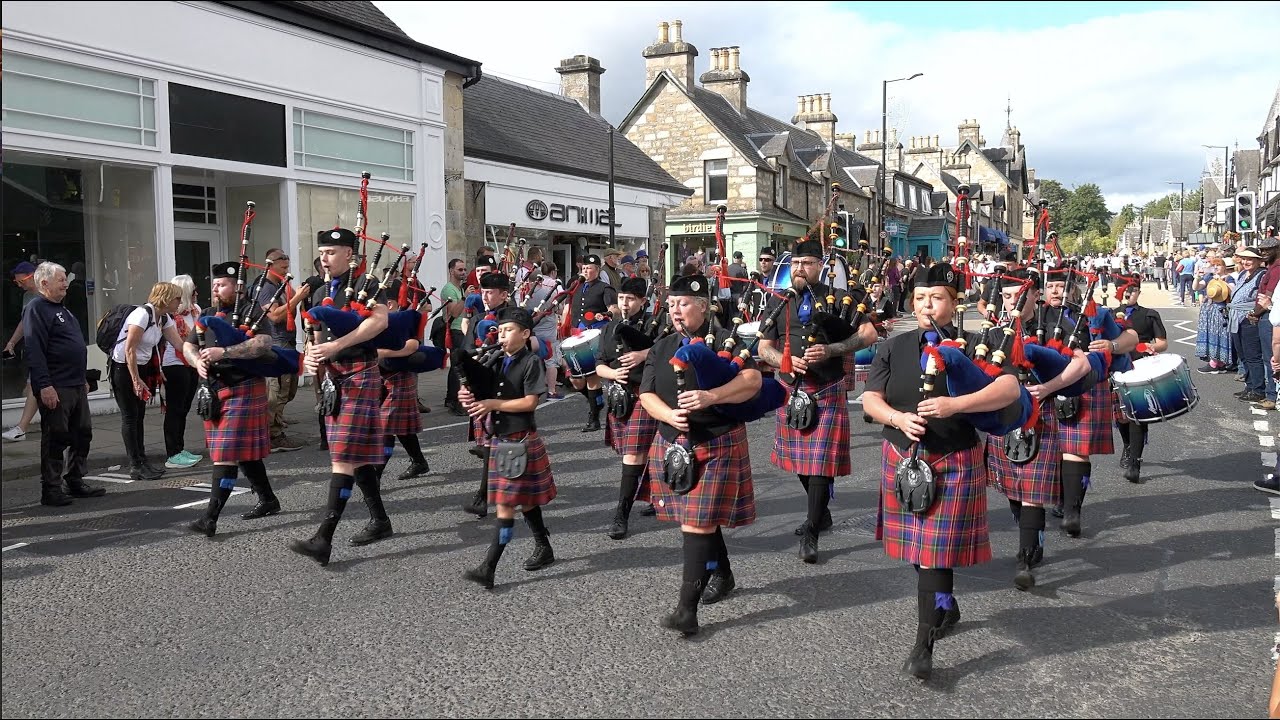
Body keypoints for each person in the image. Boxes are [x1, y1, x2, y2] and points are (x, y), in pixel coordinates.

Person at [862, 262, 1022, 679]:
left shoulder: (979, 344)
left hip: (953, 457)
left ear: (954, 303)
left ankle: (923, 644)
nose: (926, 305)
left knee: (931, 553)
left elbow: (1009, 389)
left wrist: (956, 405)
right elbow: (871, 400)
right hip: (902, 456)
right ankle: (944, 604)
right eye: (919, 298)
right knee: (922, 552)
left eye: (935, 298)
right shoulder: (894, 347)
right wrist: (897, 420)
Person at [638, 274, 762, 635]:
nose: (677, 310)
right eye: (672, 304)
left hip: (715, 439)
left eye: (685, 304)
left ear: (704, 307)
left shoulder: (727, 340)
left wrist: (712, 397)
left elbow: (752, 383)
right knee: (699, 518)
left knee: (697, 522)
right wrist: (668, 415)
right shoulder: (661, 347)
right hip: (673, 442)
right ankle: (722, 573)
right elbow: (646, 394)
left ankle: (685, 610)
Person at [758, 239, 878, 564]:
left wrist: (832, 350)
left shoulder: (839, 298)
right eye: (796, 264)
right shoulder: (780, 301)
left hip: (827, 387)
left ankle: (811, 530)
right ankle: (821, 513)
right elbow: (763, 347)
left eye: (808, 263)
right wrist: (781, 361)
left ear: (821, 266)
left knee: (819, 464)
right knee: (802, 465)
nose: (800, 269)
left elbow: (869, 335)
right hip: (793, 389)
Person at [290, 227, 393, 566]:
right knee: (357, 457)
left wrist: (337, 345)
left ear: (350, 253)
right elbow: (315, 333)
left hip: (361, 373)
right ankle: (380, 521)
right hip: (334, 378)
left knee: (343, 458)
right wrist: (310, 355)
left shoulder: (369, 284)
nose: (324, 258)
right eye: (321, 252)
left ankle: (323, 538)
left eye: (331, 252)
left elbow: (378, 323)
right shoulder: (320, 291)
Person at [183, 261, 284, 536]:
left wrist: (224, 353)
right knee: (243, 454)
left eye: (222, 284)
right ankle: (268, 499)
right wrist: (196, 362)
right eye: (214, 284)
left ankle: (210, 518)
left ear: (237, 287)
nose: (216, 289)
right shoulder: (206, 313)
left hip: (244, 387)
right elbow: (188, 344)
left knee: (225, 454)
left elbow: (263, 344)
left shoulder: (253, 312)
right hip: (215, 391)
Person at [461, 306, 558, 589]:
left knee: (505, 507)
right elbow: (481, 390)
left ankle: (488, 567)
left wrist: (494, 405)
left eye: (508, 331)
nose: (501, 336)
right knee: (525, 503)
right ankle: (544, 547)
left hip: (520, 440)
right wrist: (467, 393)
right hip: (500, 439)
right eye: (500, 331)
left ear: (525, 334)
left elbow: (530, 402)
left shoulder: (531, 362)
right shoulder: (495, 358)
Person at [1042, 266, 1138, 537]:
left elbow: (1131, 338)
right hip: (1044, 387)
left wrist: (1112, 346)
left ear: (1074, 289)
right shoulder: (1038, 313)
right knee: (1049, 449)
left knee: (1075, 449)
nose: (1055, 291)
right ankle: (1057, 498)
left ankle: (1072, 510)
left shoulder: (1095, 314)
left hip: (1084, 386)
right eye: (1050, 286)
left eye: (1061, 286)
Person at [22, 262, 104, 506]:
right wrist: (44, 386)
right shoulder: (37, 308)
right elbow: (34, 350)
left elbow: (73, 346)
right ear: (44, 283)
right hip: (56, 385)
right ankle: (52, 488)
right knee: (56, 437)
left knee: (82, 434)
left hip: (76, 384)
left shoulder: (63, 309)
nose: (65, 283)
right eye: (60, 279)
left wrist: (84, 380)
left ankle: (75, 479)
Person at [594, 277, 657, 540]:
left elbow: (670, 348)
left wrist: (644, 354)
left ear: (643, 301)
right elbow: (598, 365)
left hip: (645, 394)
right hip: (620, 396)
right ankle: (656, 496)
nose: (625, 303)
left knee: (633, 454)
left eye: (630, 299)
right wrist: (613, 372)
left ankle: (622, 514)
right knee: (643, 451)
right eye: (621, 298)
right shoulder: (610, 329)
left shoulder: (656, 323)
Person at [110, 282, 185, 481]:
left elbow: (178, 343)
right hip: (124, 367)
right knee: (130, 416)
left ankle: (142, 461)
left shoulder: (164, 318)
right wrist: (136, 380)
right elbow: (129, 350)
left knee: (139, 415)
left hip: (141, 366)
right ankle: (135, 465)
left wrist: (200, 354)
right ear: (166, 298)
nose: (180, 302)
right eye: (177, 298)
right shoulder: (142, 315)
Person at [461, 270, 515, 518]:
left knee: (498, 443)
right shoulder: (478, 318)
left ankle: (484, 496)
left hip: (505, 384)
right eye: (482, 291)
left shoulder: (515, 318)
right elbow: (467, 351)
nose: (485, 296)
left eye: (490, 292)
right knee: (489, 444)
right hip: (481, 383)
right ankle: (487, 496)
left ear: (504, 294)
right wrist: (465, 384)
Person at [374, 285, 431, 493]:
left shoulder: (405, 321)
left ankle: (375, 477)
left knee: (386, 428)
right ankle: (419, 462)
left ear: (389, 304)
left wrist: (381, 353)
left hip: (399, 377)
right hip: (380, 378)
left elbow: (412, 346)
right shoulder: (377, 324)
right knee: (400, 428)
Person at [1112, 274, 1168, 484]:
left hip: (1140, 368)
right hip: (1116, 370)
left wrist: (1151, 347)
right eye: (1123, 289)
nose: (1128, 293)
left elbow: (1163, 342)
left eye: (1133, 290)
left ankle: (1135, 461)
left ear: (1139, 292)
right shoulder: (1108, 314)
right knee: (1120, 416)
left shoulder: (1149, 315)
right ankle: (1128, 446)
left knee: (1138, 415)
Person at [562, 254, 619, 433]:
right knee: (575, 380)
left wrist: (606, 315)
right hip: (577, 335)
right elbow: (568, 308)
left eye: (590, 268)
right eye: (584, 268)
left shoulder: (605, 288)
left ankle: (593, 418)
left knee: (592, 377)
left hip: (594, 336)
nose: (586, 271)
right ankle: (597, 402)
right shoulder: (576, 286)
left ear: (597, 270)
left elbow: (614, 310)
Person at [256, 248, 305, 452]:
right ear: (270, 263)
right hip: (276, 343)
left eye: (287, 259)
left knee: (289, 388)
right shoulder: (266, 287)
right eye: (281, 260)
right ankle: (273, 435)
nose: (286, 263)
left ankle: (277, 419)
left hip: (287, 341)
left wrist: (293, 292)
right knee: (278, 390)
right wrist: (298, 297)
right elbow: (274, 316)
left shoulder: (281, 284)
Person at [161, 275, 204, 469]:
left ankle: (180, 448)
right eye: (193, 290)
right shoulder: (170, 316)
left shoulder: (196, 311)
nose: (197, 293)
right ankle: (173, 453)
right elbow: (177, 342)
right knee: (175, 409)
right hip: (174, 364)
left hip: (191, 362)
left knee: (184, 409)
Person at [3, 261, 42, 443]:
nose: (20, 285)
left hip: (45, 348)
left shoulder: (47, 294)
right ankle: (23, 427)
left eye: (22, 281)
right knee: (34, 386)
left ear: (33, 275)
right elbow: (24, 322)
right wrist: (12, 342)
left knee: (34, 386)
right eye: (17, 283)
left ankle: (22, 428)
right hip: (34, 347)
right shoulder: (28, 297)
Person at [440, 258, 469, 415]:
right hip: (455, 330)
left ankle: (451, 399)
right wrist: (465, 298)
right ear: (451, 271)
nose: (463, 273)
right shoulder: (449, 289)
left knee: (457, 366)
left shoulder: (460, 288)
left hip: (461, 329)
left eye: (464, 270)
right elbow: (455, 312)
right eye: (460, 270)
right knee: (458, 366)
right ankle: (455, 401)